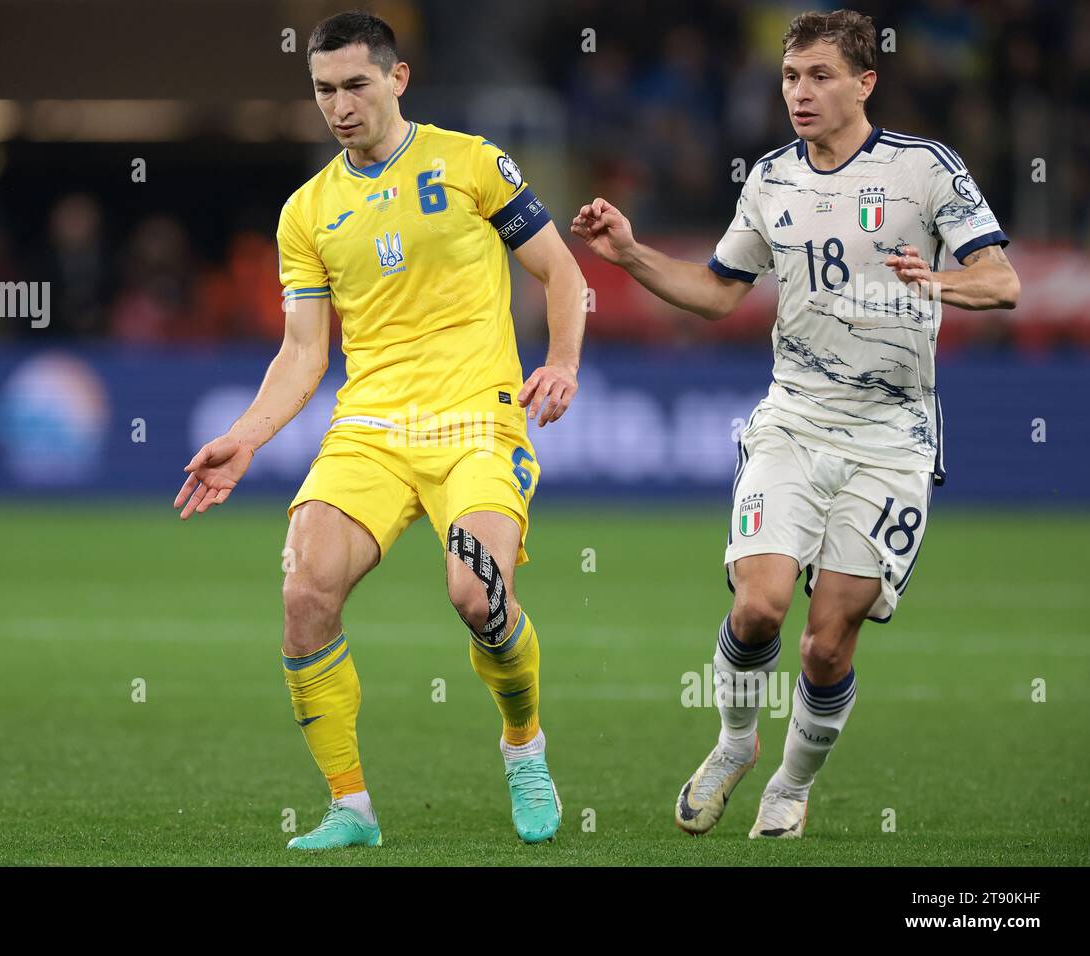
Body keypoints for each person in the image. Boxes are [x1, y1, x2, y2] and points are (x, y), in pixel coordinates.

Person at [571, 8, 1019, 839]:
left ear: (864, 82)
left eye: (819, 76)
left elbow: (1003, 283)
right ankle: (735, 743)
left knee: (825, 644)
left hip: (893, 436)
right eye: (789, 77)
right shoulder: (771, 178)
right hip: (794, 421)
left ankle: (791, 781)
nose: (800, 93)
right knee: (761, 609)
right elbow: (716, 293)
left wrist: (938, 285)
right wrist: (630, 254)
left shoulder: (925, 170)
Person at [176, 11, 586, 850]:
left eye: (356, 84)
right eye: (324, 90)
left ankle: (523, 745)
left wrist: (564, 360)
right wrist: (247, 436)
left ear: (397, 79)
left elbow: (561, 270)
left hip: (478, 419)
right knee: (303, 597)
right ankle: (350, 807)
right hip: (369, 428)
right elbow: (301, 353)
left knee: (477, 595)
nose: (340, 105)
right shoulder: (307, 212)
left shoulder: (472, 163)